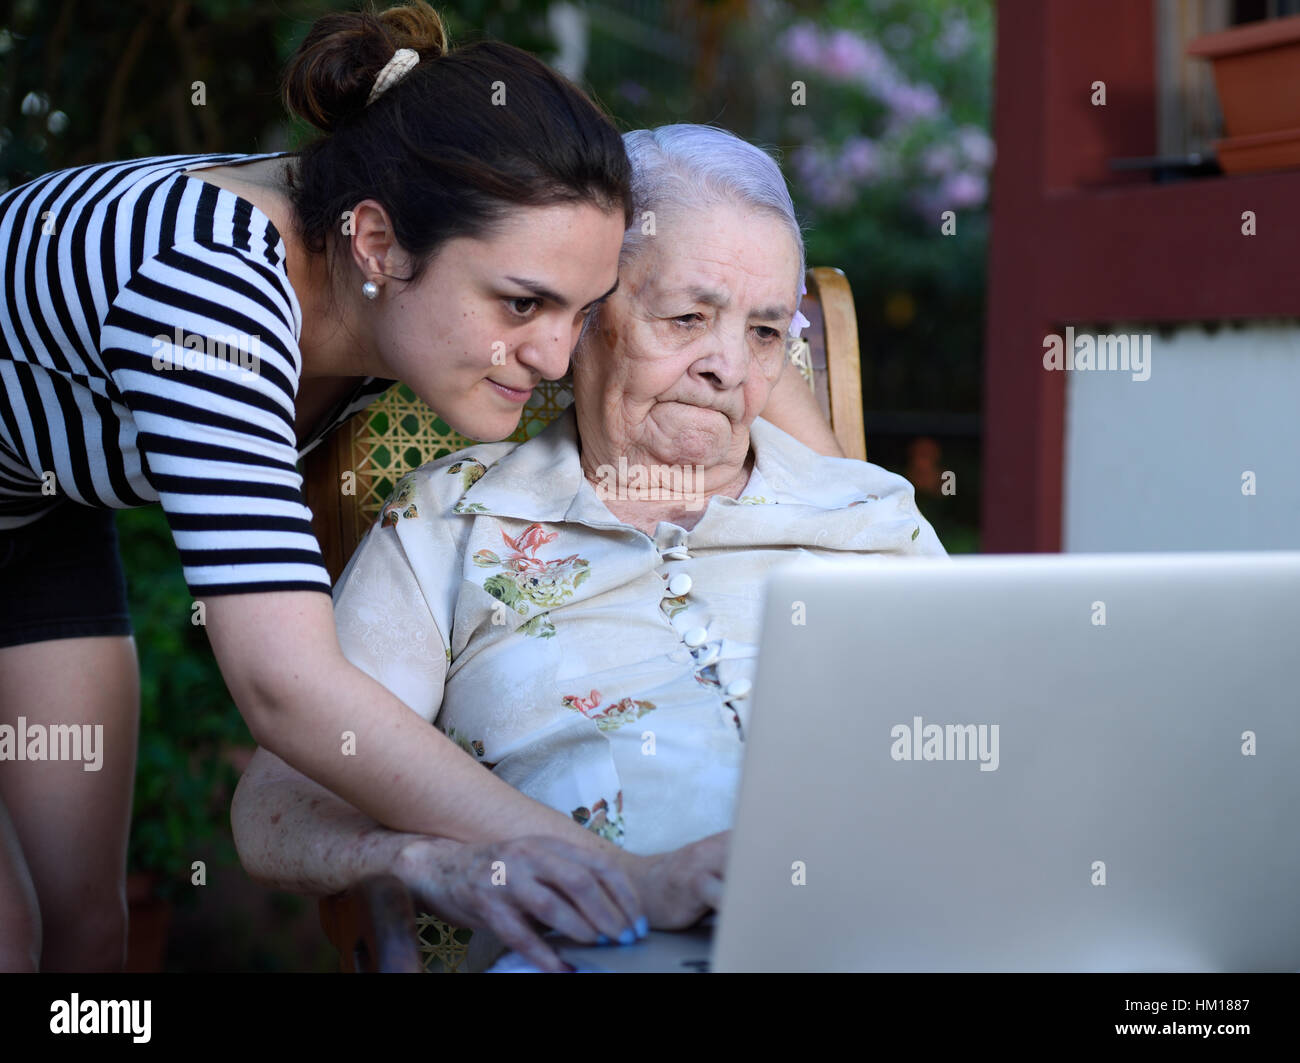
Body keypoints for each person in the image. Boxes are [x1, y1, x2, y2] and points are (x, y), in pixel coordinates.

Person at [0, 3, 842, 973]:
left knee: (88, 934)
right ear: (374, 245)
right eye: (522, 303)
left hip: (39, 509)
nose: (558, 355)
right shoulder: (210, 296)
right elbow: (287, 686)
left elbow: (722, 325)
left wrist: (850, 504)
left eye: (583, 310)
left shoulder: (403, 228)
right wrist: (617, 874)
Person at [231, 124, 947, 973]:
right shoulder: (453, 523)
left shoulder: (868, 514)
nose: (728, 367)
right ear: (586, 314)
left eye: (764, 333)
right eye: (686, 316)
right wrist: (418, 861)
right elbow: (278, 803)